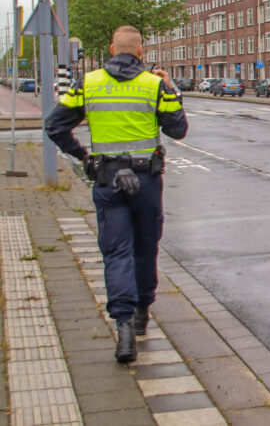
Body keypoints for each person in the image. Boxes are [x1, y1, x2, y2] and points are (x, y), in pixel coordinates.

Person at [46, 25, 188, 363]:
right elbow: (178, 130)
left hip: (108, 180)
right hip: (147, 181)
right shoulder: (154, 85)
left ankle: (123, 327)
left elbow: (55, 125)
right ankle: (141, 313)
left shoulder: (89, 83)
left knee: (116, 252)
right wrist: (172, 90)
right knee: (145, 246)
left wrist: (83, 157)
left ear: (112, 48)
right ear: (140, 51)